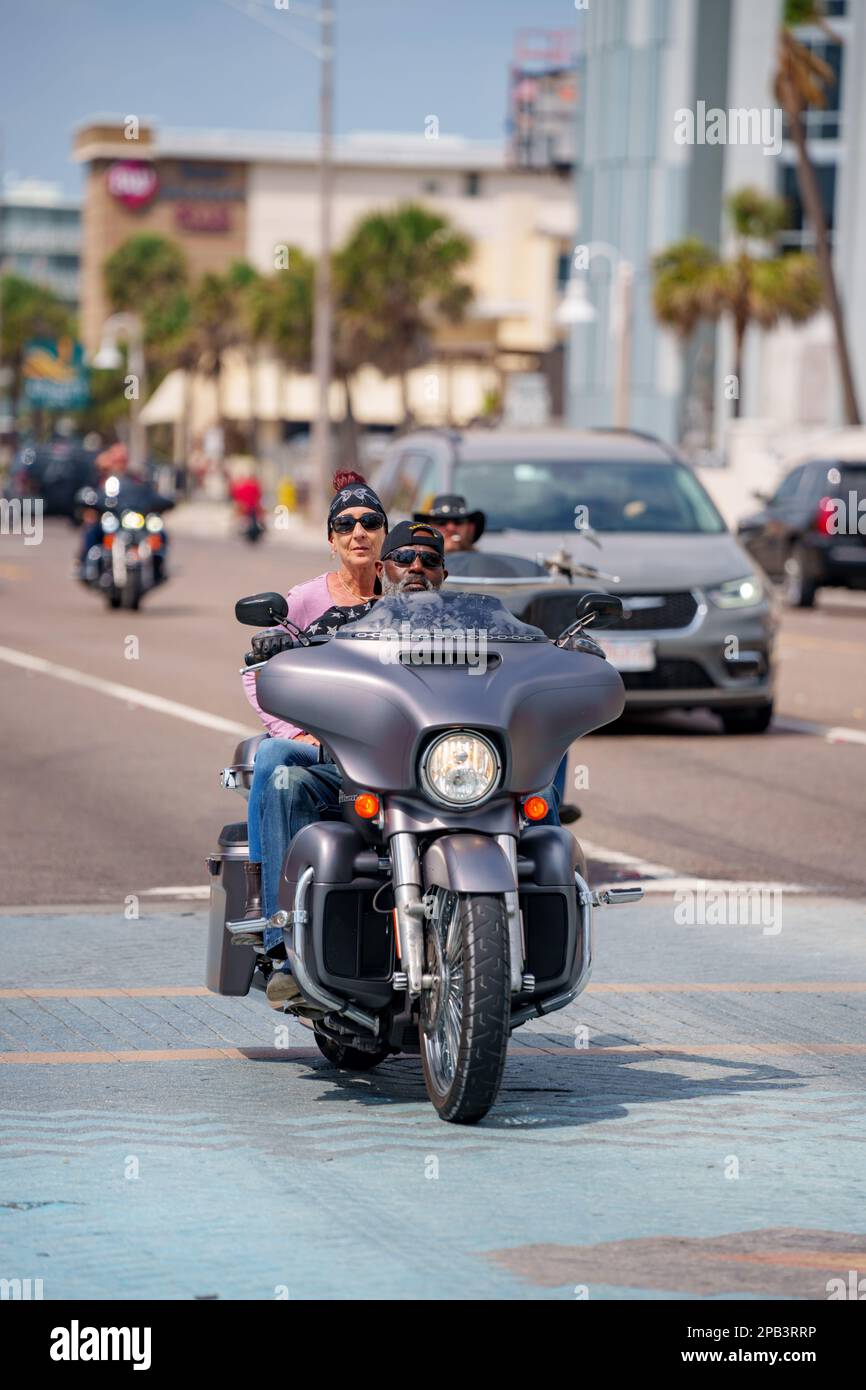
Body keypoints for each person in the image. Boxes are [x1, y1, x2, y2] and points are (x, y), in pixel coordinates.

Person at [261, 520, 449, 1006]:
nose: (415, 569)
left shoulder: (472, 628)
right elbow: (310, 660)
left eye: (428, 561)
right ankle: (288, 949)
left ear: (444, 574)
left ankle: (531, 927)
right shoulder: (350, 626)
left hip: (446, 776)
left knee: (540, 789)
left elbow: (532, 648)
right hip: (361, 775)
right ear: (386, 565)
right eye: (405, 558)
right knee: (286, 779)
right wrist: (282, 649)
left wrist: (567, 647)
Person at [238, 470, 388, 935]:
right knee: (275, 755)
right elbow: (254, 672)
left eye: (369, 522)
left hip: (391, 747)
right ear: (331, 539)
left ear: (384, 532)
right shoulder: (306, 598)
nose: (358, 532)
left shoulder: (405, 596)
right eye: (345, 525)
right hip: (323, 746)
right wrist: (294, 731)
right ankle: (274, 924)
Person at [413, 494, 485, 553]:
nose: (451, 528)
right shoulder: (418, 565)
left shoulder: (482, 565)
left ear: (470, 527)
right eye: (441, 521)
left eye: (458, 521)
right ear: (428, 528)